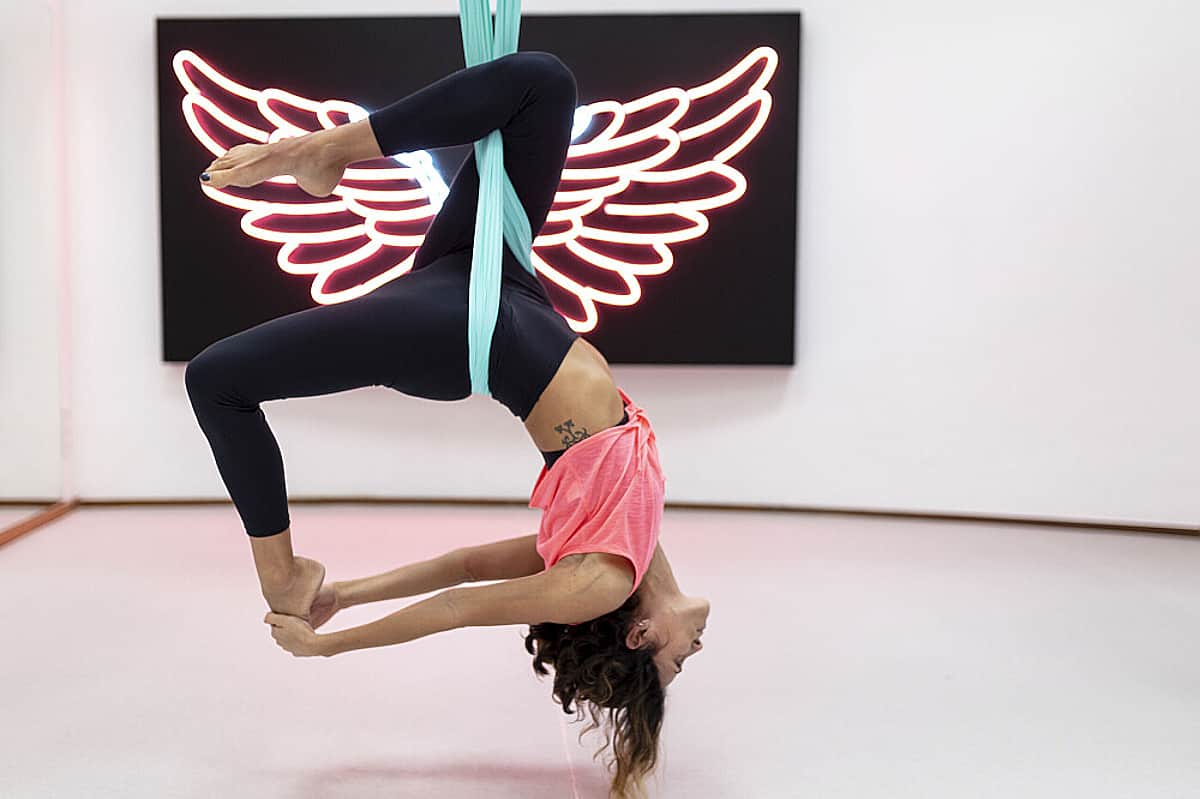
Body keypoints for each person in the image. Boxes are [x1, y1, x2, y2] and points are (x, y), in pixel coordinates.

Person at [184, 51, 709, 798]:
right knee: (542, 85)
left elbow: (460, 601)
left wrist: (328, 641)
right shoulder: (626, 548)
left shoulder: (592, 583)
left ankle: (281, 570)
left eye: (678, 660)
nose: (696, 648)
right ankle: (324, 149)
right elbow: (463, 563)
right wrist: (351, 592)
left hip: (468, 330)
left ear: (639, 635)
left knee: (218, 379)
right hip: (500, 282)